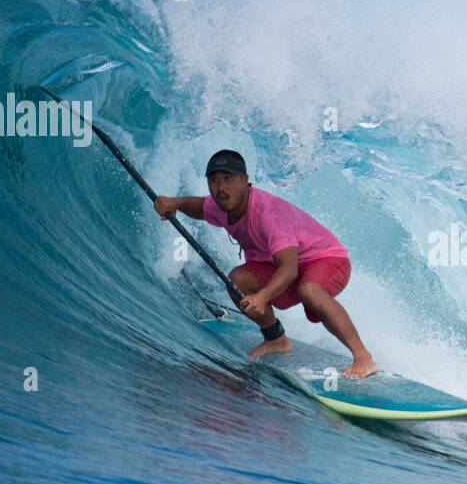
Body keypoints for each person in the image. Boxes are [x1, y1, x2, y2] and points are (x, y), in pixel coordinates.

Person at [154, 149, 378, 378]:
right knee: (238, 281)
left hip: (327, 260)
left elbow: (289, 268)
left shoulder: (269, 216)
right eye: (214, 181)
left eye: (228, 179)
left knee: (310, 290)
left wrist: (261, 298)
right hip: (289, 269)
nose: (221, 188)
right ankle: (276, 339)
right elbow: (201, 207)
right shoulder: (225, 205)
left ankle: (363, 358)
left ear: (245, 180)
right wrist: (176, 203)